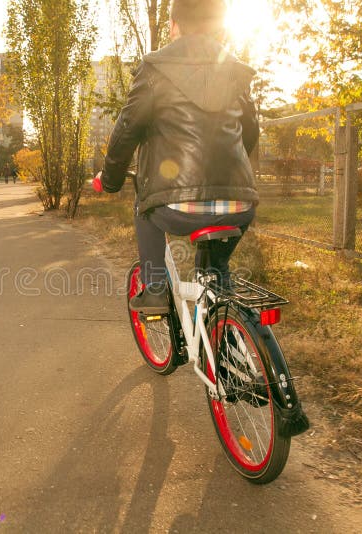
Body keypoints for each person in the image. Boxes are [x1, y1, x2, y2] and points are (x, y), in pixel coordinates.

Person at [98, 0, 260, 314]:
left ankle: (156, 288)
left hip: (177, 207)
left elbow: (128, 128)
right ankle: (226, 333)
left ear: (174, 26)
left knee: (144, 207)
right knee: (215, 274)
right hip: (241, 204)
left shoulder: (155, 68)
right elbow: (249, 131)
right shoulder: (234, 70)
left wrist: (110, 180)